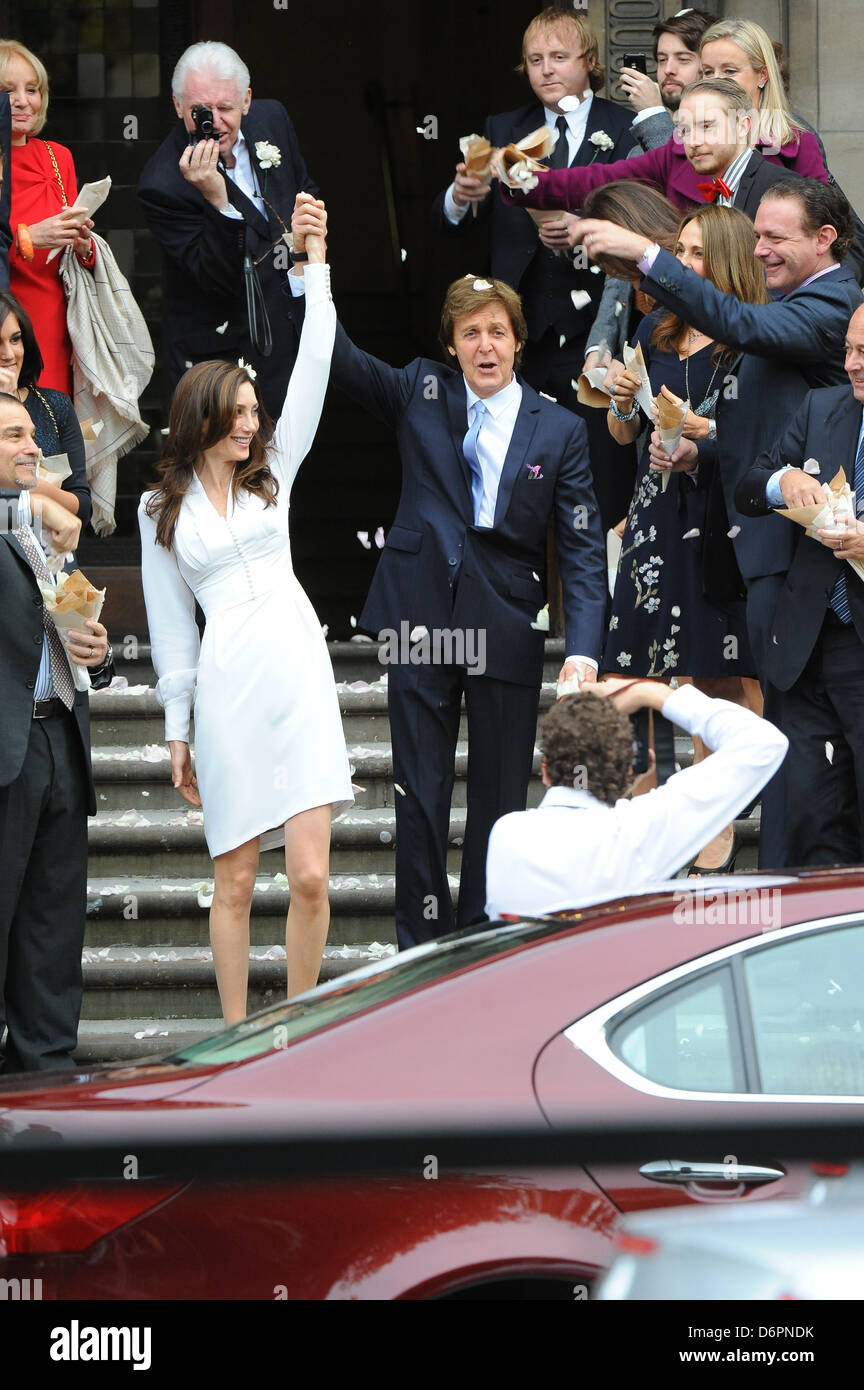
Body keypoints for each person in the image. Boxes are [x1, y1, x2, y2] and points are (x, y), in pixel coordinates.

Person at [293, 195, 607, 947]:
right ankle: (419, 946)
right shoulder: (419, 391)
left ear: (519, 343)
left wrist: (586, 649)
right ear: (453, 345)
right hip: (418, 614)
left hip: (506, 619)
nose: (485, 345)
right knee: (420, 795)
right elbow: (337, 357)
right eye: (471, 334)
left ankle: (481, 943)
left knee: (500, 798)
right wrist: (314, 269)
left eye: (498, 331)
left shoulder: (559, 428)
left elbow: (583, 545)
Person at [570, 178, 863, 868]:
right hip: (769, 565)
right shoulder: (773, 313)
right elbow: (760, 452)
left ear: (825, 240)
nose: (759, 250)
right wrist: (728, 459)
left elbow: (744, 327)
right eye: (753, 237)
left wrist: (646, 256)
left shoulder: (827, 301)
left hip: (824, 585)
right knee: (807, 800)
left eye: (773, 238)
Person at [138, 201, 351, 1028]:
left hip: (297, 670)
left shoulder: (276, 478)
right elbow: (168, 628)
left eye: (258, 415)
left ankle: (297, 1031)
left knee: (309, 877)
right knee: (232, 880)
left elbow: (317, 363)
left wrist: (317, 264)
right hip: (225, 685)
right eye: (241, 413)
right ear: (204, 417)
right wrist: (177, 726)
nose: (254, 425)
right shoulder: (164, 507)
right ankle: (234, 1037)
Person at [605, 203, 768, 872]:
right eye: (682, 250)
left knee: (715, 670)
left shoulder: (752, 339)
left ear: (726, 261)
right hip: (656, 514)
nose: (684, 263)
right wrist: (620, 402)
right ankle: (647, 822)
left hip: (720, 513)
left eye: (698, 254)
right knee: (640, 662)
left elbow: (765, 439)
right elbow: (625, 435)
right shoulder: (654, 327)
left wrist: (705, 433)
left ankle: (714, 824)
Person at [432, 5, 634, 530]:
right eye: (535, 60)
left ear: (589, 61)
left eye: (559, 57)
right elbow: (454, 222)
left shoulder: (626, 124)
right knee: (524, 480)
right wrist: (461, 195)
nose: (546, 70)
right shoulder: (504, 128)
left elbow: (649, 216)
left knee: (601, 476)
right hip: (522, 334)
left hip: (601, 334)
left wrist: (585, 227)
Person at [0, 394, 110, 1071]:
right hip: (7, 754)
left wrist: (96, 645)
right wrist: (32, 507)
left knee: (52, 926)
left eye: (32, 436)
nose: (31, 446)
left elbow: (77, 632)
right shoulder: (23, 518)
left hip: (60, 740)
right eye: (12, 435)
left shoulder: (43, 534)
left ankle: (47, 1073)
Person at [485, 675, 788, 920]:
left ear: (546, 770)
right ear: (632, 771)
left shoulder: (505, 835)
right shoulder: (639, 829)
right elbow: (765, 742)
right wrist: (651, 693)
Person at [734, 303, 864, 866]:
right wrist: (783, 480)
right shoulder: (823, 406)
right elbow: (749, 484)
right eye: (850, 350)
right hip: (808, 648)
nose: (852, 364)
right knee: (811, 821)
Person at [138, 40, 318, 420]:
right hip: (219, 366)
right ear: (177, 105)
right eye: (201, 111)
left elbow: (302, 189)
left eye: (225, 108)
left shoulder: (273, 119)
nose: (215, 122)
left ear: (247, 101)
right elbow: (218, 278)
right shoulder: (162, 183)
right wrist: (218, 201)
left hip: (291, 339)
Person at [501, 77, 826, 220]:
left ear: (744, 125)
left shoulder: (782, 188)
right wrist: (517, 177)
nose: (693, 140)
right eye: (684, 128)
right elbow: (593, 180)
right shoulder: (675, 157)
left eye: (707, 126)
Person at [0, 40, 96, 394]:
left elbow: (72, 255)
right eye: (7, 90)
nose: (23, 100)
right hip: (6, 322)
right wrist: (27, 238)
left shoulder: (58, 157)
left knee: (53, 432)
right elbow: (28, 238)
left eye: (32, 89)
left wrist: (84, 244)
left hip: (56, 324)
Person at [0, 287, 88, 533]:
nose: (8, 354)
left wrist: (39, 490)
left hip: (53, 559)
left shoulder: (54, 405)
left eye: (15, 339)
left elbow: (83, 508)